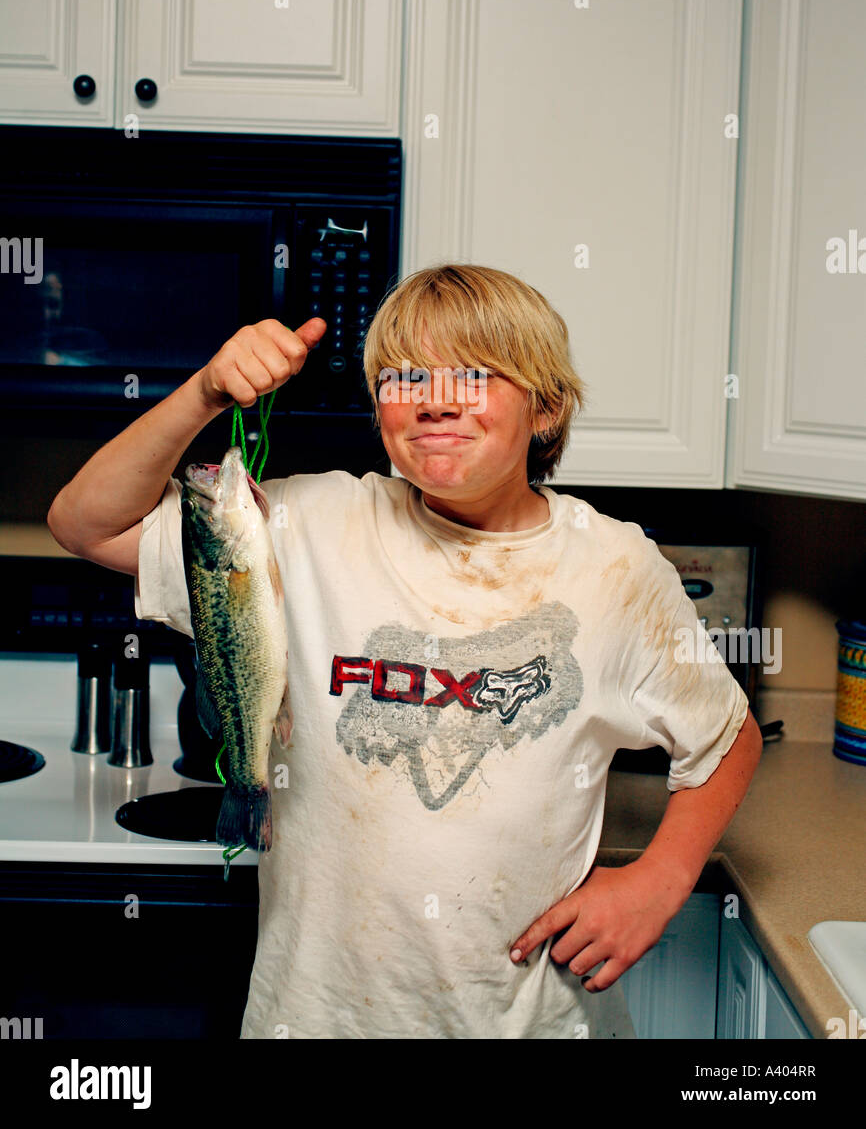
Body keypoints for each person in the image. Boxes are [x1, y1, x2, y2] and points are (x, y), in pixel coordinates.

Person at [47, 262, 763, 1040]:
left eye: (475, 374)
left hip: (528, 1021)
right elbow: (88, 527)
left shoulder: (614, 568)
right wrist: (206, 395)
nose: (434, 400)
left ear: (547, 407)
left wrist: (660, 880)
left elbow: (727, 734)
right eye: (404, 377)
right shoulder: (306, 523)